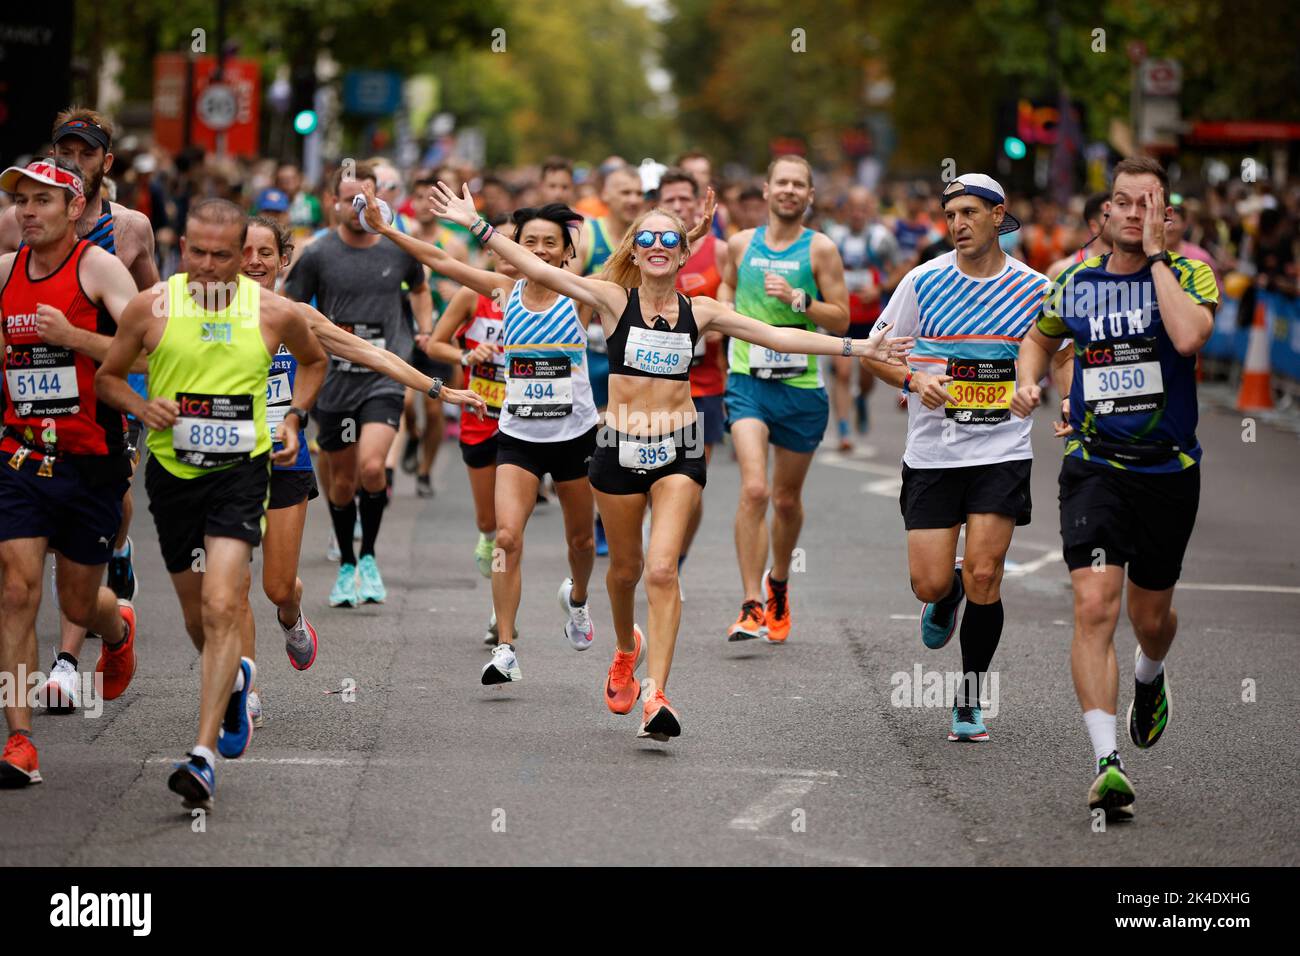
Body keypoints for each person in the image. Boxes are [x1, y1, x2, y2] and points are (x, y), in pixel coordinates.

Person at [428, 180, 909, 740]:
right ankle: (625, 646)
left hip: (679, 449)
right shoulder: (611, 300)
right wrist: (478, 226)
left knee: (661, 569)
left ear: (684, 253)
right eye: (648, 238)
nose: (658, 246)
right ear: (635, 251)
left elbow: (780, 334)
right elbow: (540, 273)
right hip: (617, 450)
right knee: (624, 571)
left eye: (670, 240)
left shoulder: (701, 311)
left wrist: (859, 345)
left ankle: (656, 696)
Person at [96, 197, 328, 811]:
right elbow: (109, 377)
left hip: (241, 474)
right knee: (200, 619)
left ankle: (201, 755)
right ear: (181, 248)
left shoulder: (274, 311)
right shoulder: (152, 307)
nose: (207, 265)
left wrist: (295, 419)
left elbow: (315, 362)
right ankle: (232, 684)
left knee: (227, 602)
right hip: (173, 477)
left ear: (239, 257)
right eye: (194, 252)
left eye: (221, 256)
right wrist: (142, 407)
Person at [1011, 156, 1218, 820]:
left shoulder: (1189, 274)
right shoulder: (1073, 284)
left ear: (1166, 214)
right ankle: (1106, 762)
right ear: (1105, 214)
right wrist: (1028, 379)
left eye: (1148, 203)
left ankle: (1149, 677)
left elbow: (1188, 338)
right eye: (1123, 202)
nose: (1134, 213)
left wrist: (1158, 260)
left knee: (1149, 618)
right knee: (1096, 606)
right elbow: (1037, 341)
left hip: (1168, 472)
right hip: (1095, 466)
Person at [238, 216, 483, 724]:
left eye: (265, 252)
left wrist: (438, 389)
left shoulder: (298, 316)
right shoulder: (205, 316)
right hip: (225, 459)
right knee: (232, 581)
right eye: (243, 251)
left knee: (277, 586)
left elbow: (372, 355)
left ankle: (292, 615)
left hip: (283, 460)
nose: (254, 262)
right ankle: (245, 687)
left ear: (284, 261)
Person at [359, 186, 600, 683]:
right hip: (518, 435)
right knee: (506, 538)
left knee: (579, 539)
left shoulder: (582, 295)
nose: (538, 250)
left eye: (549, 242)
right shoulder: (500, 290)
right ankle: (506, 647)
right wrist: (386, 230)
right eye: (528, 240)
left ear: (566, 251)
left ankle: (577, 600)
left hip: (574, 435)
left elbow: (630, 262)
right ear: (512, 247)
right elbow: (438, 261)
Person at [863, 173, 1050, 743]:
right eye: (951, 216)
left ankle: (969, 699)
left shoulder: (1035, 288)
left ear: (1000, 215)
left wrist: (1034, 386)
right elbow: (875, 353)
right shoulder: (922, 283)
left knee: (987, 573)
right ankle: (945, 597)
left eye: (970, 212)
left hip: (1001, 448)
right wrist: (914, 379)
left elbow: (1052, 353)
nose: (958, 225)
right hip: (934, 452)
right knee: (927, 581)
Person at [0, 111, 160, 712]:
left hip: (97, 434)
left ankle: (110, 626)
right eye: (22, 202)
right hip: (21, 446)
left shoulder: (119, 242)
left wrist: (76, 339)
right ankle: (19, 737)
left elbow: (150, 335)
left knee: (75, 598)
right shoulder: (9, 251)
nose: (27, 211)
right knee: (16, 591)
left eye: (41, 201)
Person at [284, 162, 433, 607]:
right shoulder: (317, 254)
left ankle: (368, 558)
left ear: (378, 198)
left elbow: (420, 287)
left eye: (366, 198)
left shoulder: (397, 249)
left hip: (383, 375)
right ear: (334, 203)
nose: (359, 207)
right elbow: (289, 311)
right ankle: (347, 562)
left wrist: (423, 329)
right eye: (350, 199)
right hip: (333, 380)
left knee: (372, 468)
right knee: (343, 482)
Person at [721, 155, 849, 643]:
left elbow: (840, 320)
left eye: (800, 184)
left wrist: (801, 301)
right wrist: (725, 304)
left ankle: (778, 582)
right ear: (767, 189)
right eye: (783, 182)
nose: (790, 191)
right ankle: (751, 603)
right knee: (755, 489)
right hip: (747, 381)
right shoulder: (739, 245)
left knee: (786, 499)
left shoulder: (820, 250)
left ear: (810, 196)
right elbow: (726, 286)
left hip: (800, 388)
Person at [426, 244, 514, 641]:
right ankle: (485, 536)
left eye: (522, 245)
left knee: (511, 529)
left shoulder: (549, 296)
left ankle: (501, 615)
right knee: (490, 523)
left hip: (526, 422)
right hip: (480, 416)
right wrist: (466, 356)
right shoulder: (471, 295)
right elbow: (435, 343)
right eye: (506, 246)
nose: (512, 255)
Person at [657, 169, 732, 579]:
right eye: (671, 200)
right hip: (651, 389)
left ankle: (674, 561)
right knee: (651, 478)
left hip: (701, 388)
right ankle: (655, 554)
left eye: (687, 199)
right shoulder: (643, 250)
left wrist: (711, 319)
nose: (680, 206)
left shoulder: (719, 251)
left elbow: (733, 307)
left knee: (690, 484)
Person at [829, 187, 900, 450]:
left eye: (863, 208)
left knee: (868, 375)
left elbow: (901, 267)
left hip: (871, 318)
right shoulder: (834, 237)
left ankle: (861, 399)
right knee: (843, 373)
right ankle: (844, 430)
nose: (857, 214)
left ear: (870, 210)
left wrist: (880, 289)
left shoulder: (882, 238)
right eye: (852, 208)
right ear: (845, 210)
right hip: (843, 316)